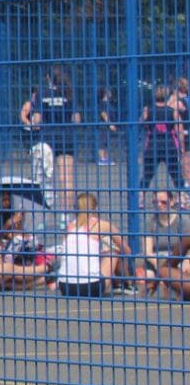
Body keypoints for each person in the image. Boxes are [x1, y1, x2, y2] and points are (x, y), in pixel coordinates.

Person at [50, 193, 127, 298]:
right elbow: (126, 249)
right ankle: (126, 283)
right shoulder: (101, 225)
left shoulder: (70, 227)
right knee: (114, 252)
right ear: (95, 208)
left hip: (65, 287)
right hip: (90, 286)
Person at [32, 66, 82, 211]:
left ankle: (42, 213)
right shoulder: (69, 92)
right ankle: (65, 216)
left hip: (47, 138)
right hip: (66, 137)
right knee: (66, 179)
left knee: (42, 178)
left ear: (48, 78)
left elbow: (37, 119)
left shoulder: (42, 93)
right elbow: (77, 118)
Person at [139, 83, 184, 188]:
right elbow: (179, 130)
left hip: (152, 145)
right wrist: (181, 148)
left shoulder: (148, 110)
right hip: (170, 145)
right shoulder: (172, 111)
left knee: (147, 174)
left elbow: (141, 123)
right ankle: (182, 197)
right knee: (176, 174)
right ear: (166, 95)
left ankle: (140, 198)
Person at [97, 85, 118, 167]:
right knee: (102, 142)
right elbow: (103, 114)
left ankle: (105, 158)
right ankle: (102, 159)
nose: (110, 93)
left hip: (107, 125)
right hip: (103, 125)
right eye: (109, 91)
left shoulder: (108, 103)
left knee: (106, 142)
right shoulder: (102, 103)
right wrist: (110, 124)